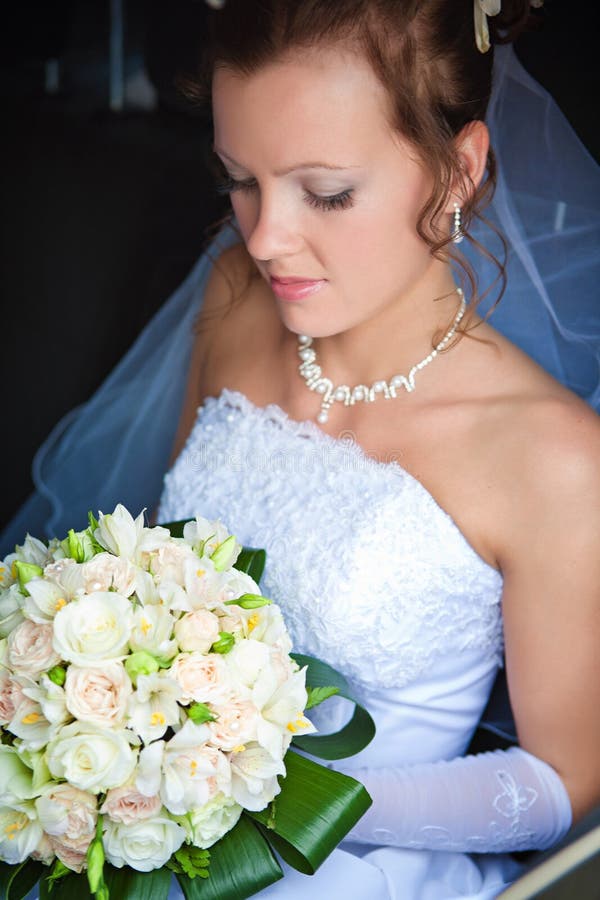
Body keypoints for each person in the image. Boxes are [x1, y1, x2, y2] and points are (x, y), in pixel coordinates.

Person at [1, 2, 599, 898]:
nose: (265, 235)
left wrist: (286, 794)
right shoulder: (239, 296)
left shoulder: (555, 458)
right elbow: (153, 576)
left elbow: (561, 788)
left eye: (326, 192)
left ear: (458, 171)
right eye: (239, 179)